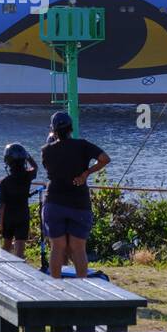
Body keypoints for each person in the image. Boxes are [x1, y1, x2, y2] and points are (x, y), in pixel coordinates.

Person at [39, 112, 110, 278]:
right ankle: (82, 288)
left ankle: (56, 287)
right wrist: (86, 173)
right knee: (79, 248)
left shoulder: (46, 151)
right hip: (79, 202)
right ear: (71, 128)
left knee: (58, 247)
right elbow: (105, 158)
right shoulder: (82, 145)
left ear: (53, 131)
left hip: (54, 200)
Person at [0, 143, 37, 258]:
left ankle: (4, 268)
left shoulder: (5, 182)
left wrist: (1, 224)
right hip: (23, 215)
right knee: (20, 247)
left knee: (6, 245)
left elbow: (2, 205)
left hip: (8, 217)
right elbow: (35, 167)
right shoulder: (28, 176)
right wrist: (28, 156)